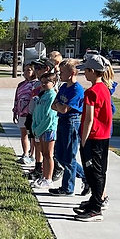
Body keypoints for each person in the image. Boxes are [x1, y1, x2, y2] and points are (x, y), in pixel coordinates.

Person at [73, 52, 114, 222]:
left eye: (86, 70)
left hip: (93, 137)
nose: (84, 73)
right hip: (104, 137)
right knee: (100, 170)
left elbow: (89, 118)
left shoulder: (91, 92)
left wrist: (83, 140)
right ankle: (94, 201)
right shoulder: (105, 88)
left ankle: (96, 208)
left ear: (92, 71)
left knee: (93, 172)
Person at [49, 58, 85, 196]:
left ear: (72, 73)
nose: (60, 75)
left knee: (69, 156)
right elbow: (54, 105)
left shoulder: (77, 90)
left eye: (62, 72)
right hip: (62, 122)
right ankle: (85, 176)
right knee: (59, 154)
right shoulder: (64, 87)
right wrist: (59, 106)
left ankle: (67, 188)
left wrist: (59, 106)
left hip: (72, 122)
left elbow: (64, 109)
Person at [30, 66, 58, 189]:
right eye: (42, 82)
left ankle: (49, 178)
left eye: (47, 82)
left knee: (48, 154)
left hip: (48, 129)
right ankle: (44, 176)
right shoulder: (43, 95)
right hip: (39, 129)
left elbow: (49, 116)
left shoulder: (52, 96)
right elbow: (37, 112)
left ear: (54, 83)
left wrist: (39, 129)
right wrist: (34, 127)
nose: (44, 84)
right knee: (43, 153)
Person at [13, 62, 37, 164]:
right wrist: (15, 111)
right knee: (23, 134)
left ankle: (32, 154)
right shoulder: (21, 85)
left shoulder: (36, 84)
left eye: (29, 70)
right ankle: (25, 153)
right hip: (22, 112)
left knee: (32, 135)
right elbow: (16, 98)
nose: (26, 72)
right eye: (25, 70)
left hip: (31, 113)